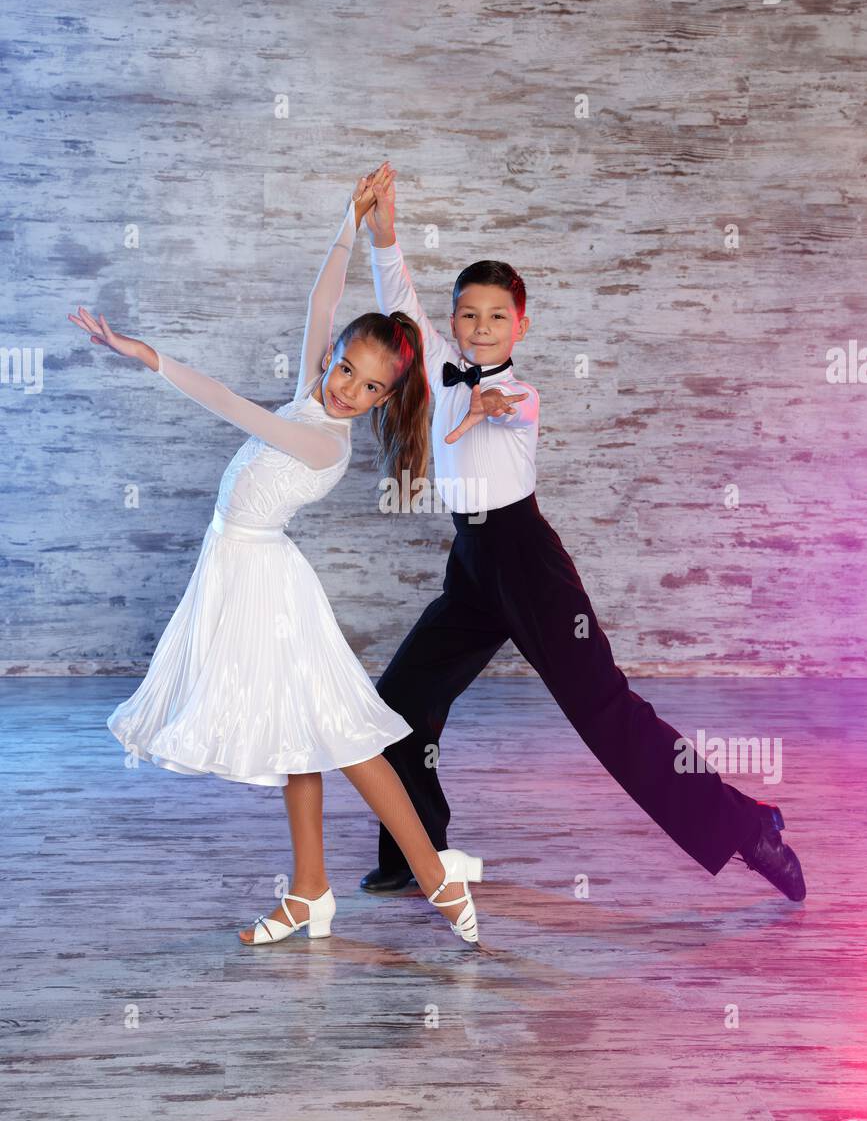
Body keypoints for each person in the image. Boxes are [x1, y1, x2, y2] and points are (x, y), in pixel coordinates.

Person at [358, 164, 806, 904]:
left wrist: (484, 407)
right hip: (473, 563)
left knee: (604, 713)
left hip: (526, 561)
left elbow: (505, 405)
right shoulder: (440, 369)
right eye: (467, 315)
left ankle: (746, 826)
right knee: (400, 699)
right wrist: (385, 234)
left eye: (496, 317)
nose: (479, 328)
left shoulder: (522, 391)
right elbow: (397, 300)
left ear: (521, 326)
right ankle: (417, 850)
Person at [67, 169, 483, 946]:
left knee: (344, 737)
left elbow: (228, 405)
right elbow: (319, 307)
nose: (346, 390)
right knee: (302, 738)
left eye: (367, 388)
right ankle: (309, 891)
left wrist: (146, 356)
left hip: (265, 583)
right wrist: (347, 224)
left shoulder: (318, 437)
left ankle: (433, 874)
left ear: (386, 400)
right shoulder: (312, 396)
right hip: (238, 571)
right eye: (342, 370)